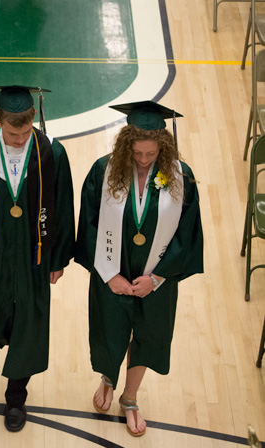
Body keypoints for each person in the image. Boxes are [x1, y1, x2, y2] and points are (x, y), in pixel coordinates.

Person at [75, 101, 203, 437]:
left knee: (148, 335)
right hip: (112, 271)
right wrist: (107, 274)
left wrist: (157, 278)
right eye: (137, 153)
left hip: (156, 277)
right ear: (125, 145)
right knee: (110, 330)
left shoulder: (181, 177)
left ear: (163, 146)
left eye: (151, 154)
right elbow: (88, 225)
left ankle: (129, 398)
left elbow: (186, 234)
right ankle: (108, 377)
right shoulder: (104, 171)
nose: (144, 160)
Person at [0, 85, 75, 432]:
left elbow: (64, 204)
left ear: (33, 119)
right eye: (11, 132)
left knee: (29, 324)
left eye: (24, 132)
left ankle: (16, 398)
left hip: (33, 255)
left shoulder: (52, 153)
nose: (19, 139)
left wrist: (58, 259)